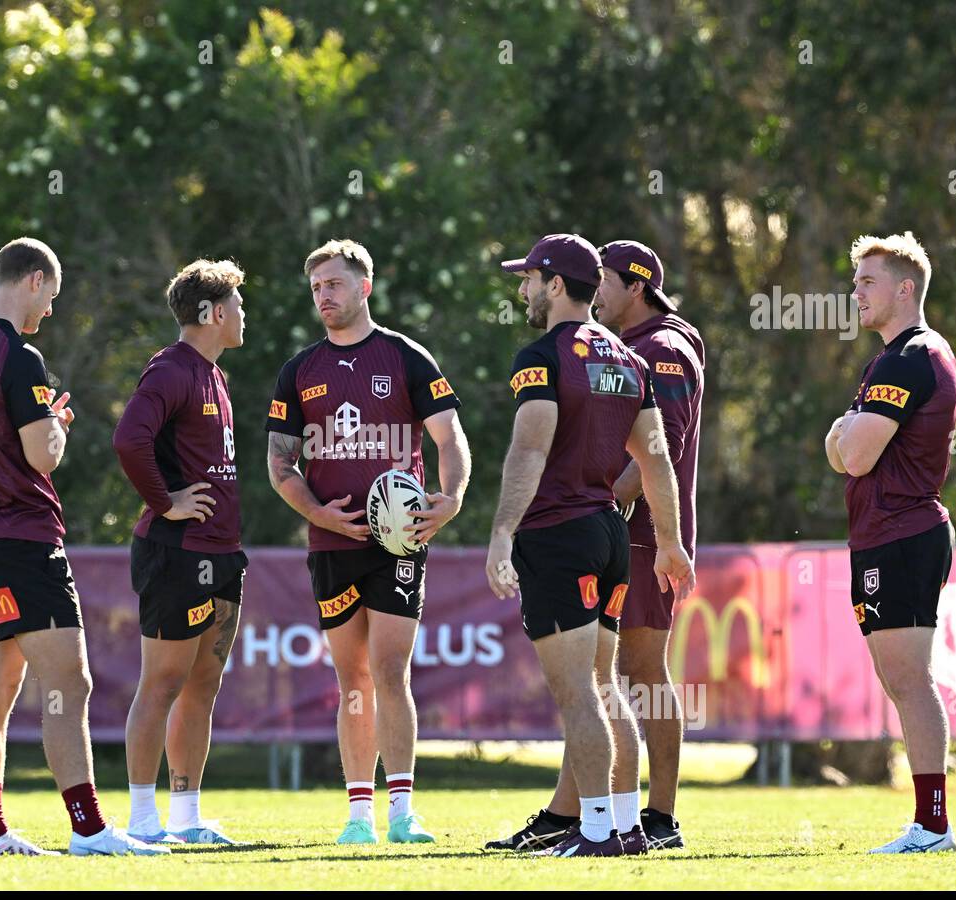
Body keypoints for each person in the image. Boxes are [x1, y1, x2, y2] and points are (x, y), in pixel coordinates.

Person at [0, 237, 164, 856]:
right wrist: (56, 430)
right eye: (52, 296)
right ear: (33, 280)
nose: (52, 311)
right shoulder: (19, 356)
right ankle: (88, 828)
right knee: (70, 682)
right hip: (21, 538)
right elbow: (42, 456)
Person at [484, 234, 694, 858]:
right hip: (610, 531)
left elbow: (529, 449)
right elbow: (655, 456)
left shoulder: (542, 355)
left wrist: (500, 531)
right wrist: (670, 540)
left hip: (558, 532)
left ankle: (598, 828)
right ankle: (625, 825)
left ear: (554, 284)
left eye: (528, 278)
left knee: (579, 692)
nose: (522, 288)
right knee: (603, 687)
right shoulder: (627, 359)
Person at [266, 239, 471, 844]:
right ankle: (359, 816)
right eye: (316, 288)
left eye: (334, 284)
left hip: (398, 538)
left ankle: (403, 812)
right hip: (332, 544)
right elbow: (280, 467)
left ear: (364, 287)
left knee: (389, 670)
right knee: (350, 678)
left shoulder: (406, 357)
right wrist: (318, 514)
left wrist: (452, 496)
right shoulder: (299, 371)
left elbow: (450, 438)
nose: (324, 296)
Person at [825, 232, 956, 854]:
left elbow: (850, 453)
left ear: (905, 289)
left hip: (904, 533)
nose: (856, 292)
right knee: (901, 679)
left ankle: (933, 825)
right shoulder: (899, 356)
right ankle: (930, 823)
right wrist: (844, 435)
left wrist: (843, 432)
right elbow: (846, 448)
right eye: (856, 282)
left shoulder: (909, 358)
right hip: (887, 534)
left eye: (867, 281)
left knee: (909, 680)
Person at [114, 259, 249, 846]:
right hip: (176, 550)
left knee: (202, 686)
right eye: (238, 305)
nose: (245, 314)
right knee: (163, 683)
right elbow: (128, 438)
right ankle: (143, 819)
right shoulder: (171, 369)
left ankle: (187, 817)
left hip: (221, 552)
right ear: (213, 313)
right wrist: (165, 501)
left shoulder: (213, 373)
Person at [594, 239, 704, 848]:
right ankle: (605, 811)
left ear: (635, 286)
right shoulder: (627, 346)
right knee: (610, 672)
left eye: (604, 280)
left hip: (642, 536)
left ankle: (658, 817)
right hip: (623, 530)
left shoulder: (663, 347)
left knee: (640, 672)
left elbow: (660, 450)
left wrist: (603, 504)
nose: (595, 292)